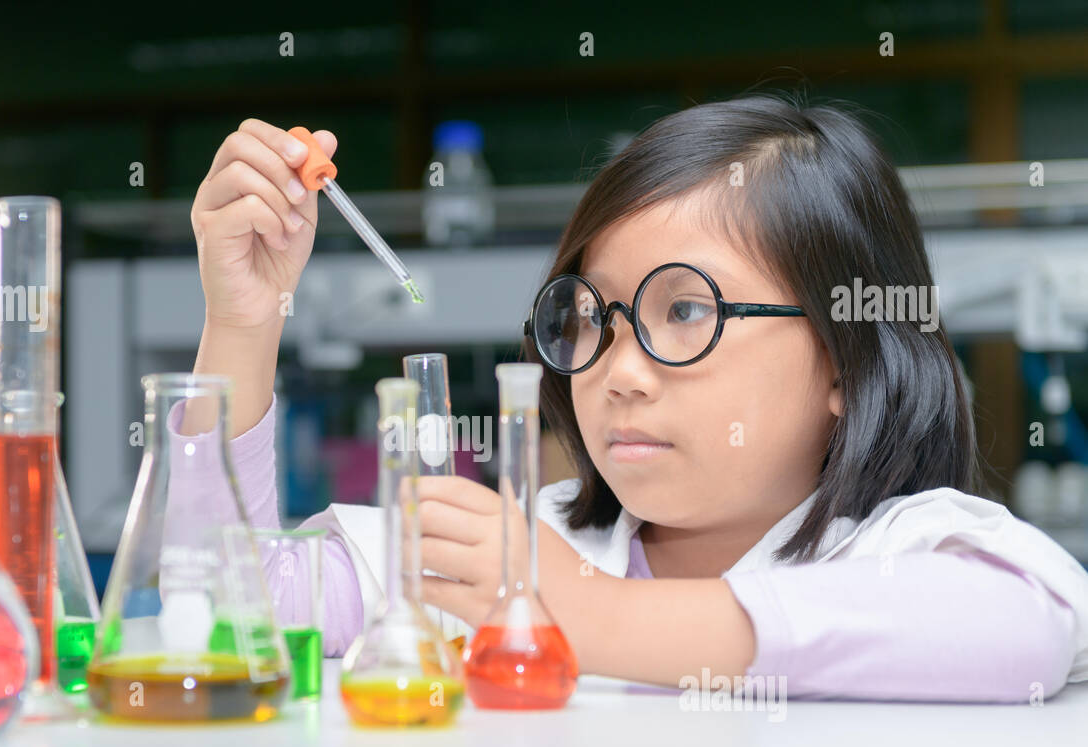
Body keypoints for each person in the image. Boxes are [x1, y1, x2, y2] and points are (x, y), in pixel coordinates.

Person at [167, 95, 1088, 701]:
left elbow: (1024, 628)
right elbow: (220, 616)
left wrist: (588, 616)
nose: (619, 369)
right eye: (591, 315)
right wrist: (242, 322)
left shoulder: (907, 547)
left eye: (686, 309)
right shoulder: (530, 547)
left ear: (846, 362)